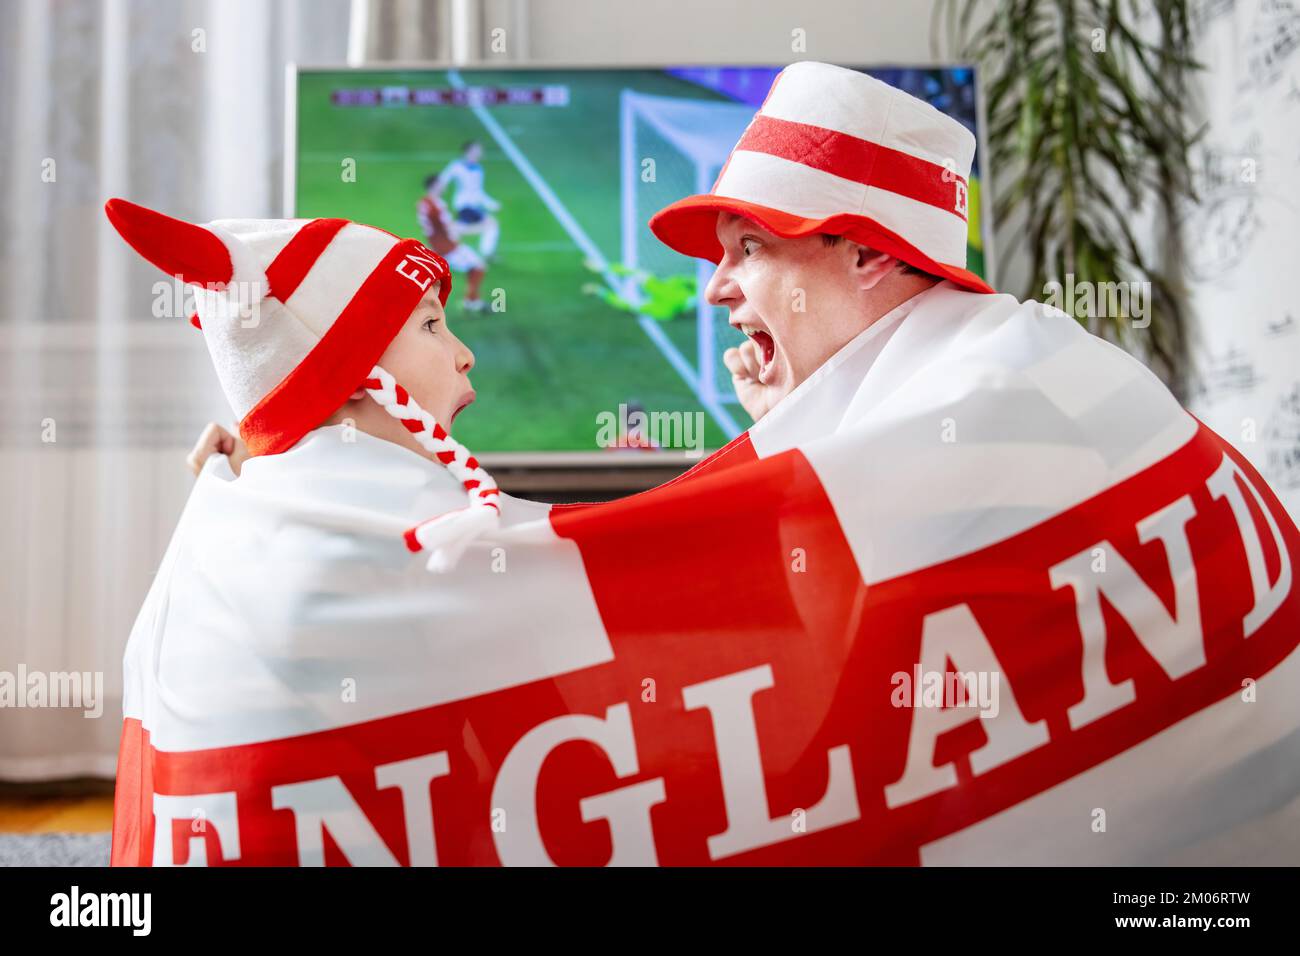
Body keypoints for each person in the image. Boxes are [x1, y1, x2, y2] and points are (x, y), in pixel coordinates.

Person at [418, 177, 488, 313]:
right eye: (440, 184)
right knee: (478, 266)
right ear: (434, 186)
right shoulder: (437, 207)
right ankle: (471, 302)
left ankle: (470, 300)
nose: (444, 186)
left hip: (436, 244)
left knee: (471, 267)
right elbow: (451, 228)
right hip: (448, 247)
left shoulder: (423, 203)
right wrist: (479, 227)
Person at [430, 139, 500, 261]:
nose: (479, 153)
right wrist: (436, 193)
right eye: (477, 150)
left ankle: (442, 251)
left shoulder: (478, 169)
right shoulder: (457, 166)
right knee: (491, 224)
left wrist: (490, 203)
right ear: (468, 151)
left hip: (474, 206)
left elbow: (478, 191)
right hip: (465, 206)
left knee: (460, 228)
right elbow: (443, 179)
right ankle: (486, 254)